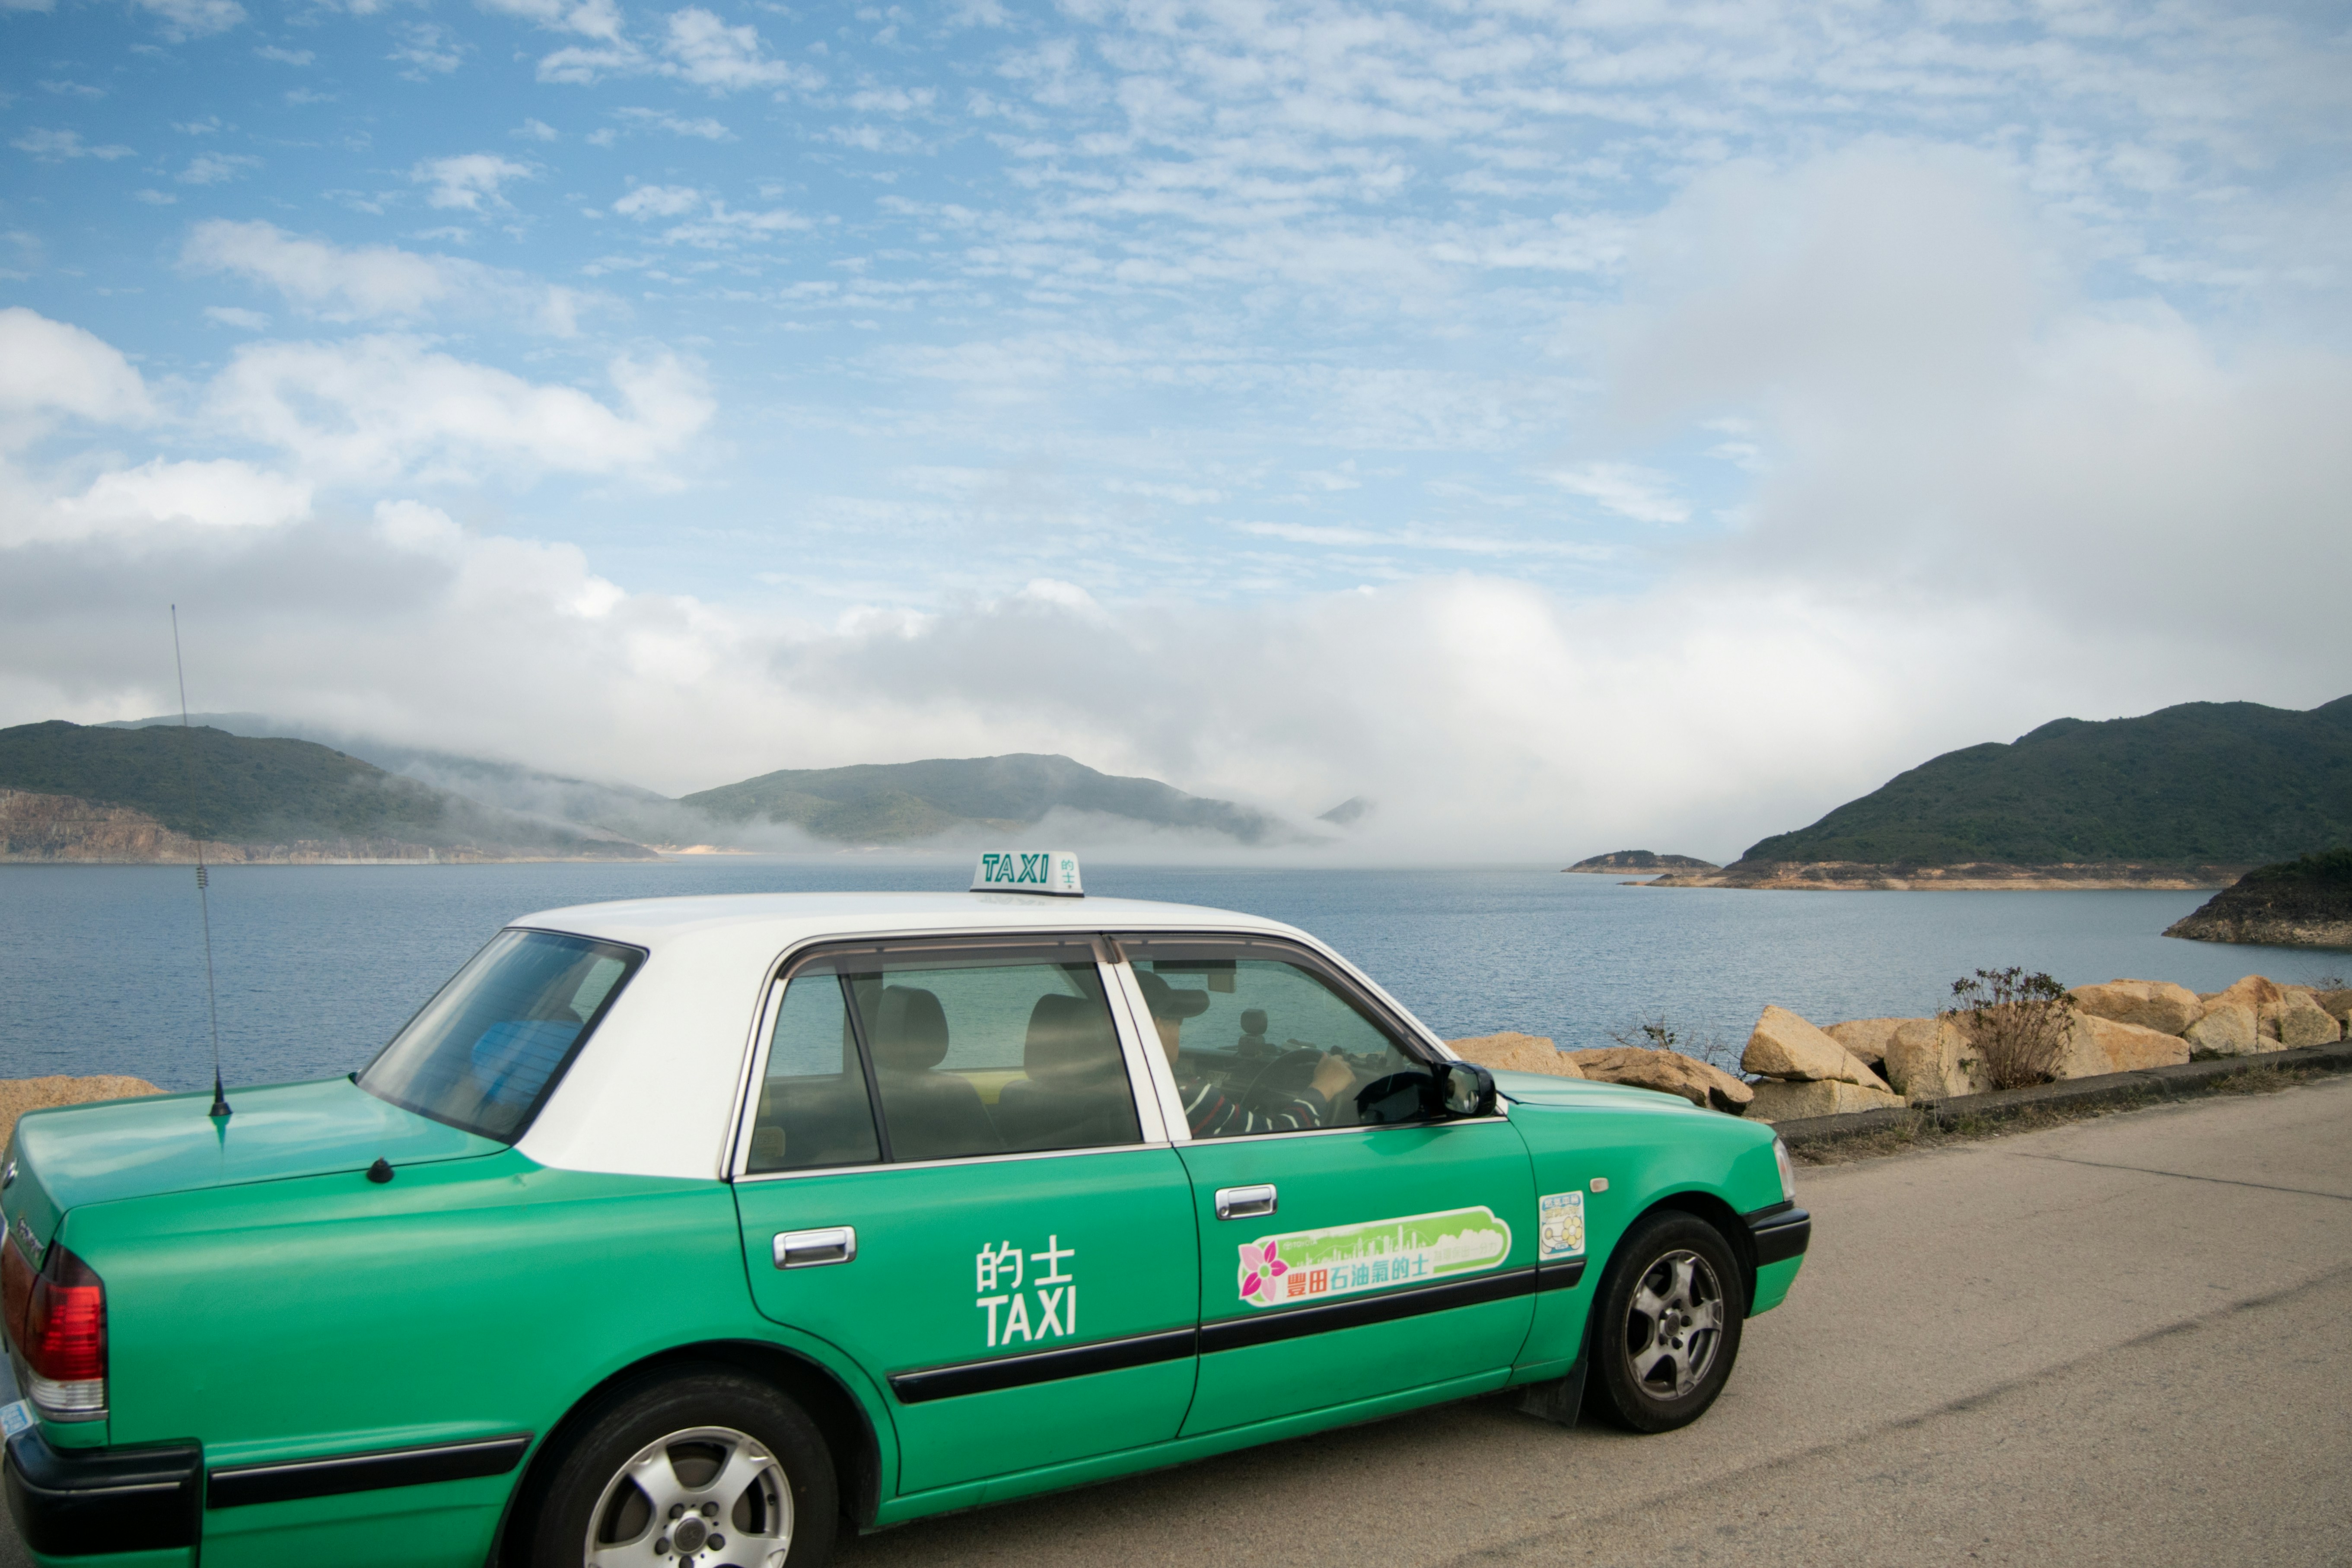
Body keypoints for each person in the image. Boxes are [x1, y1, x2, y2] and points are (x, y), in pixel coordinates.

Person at [1135, 970, 1356, 1136]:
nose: (1180, 1030)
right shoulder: (1183, 1096)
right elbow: (1277, 1141)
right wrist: (1324, 1087)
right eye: (1178, 1020)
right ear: (1155, 1026)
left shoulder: (1122, 1085)